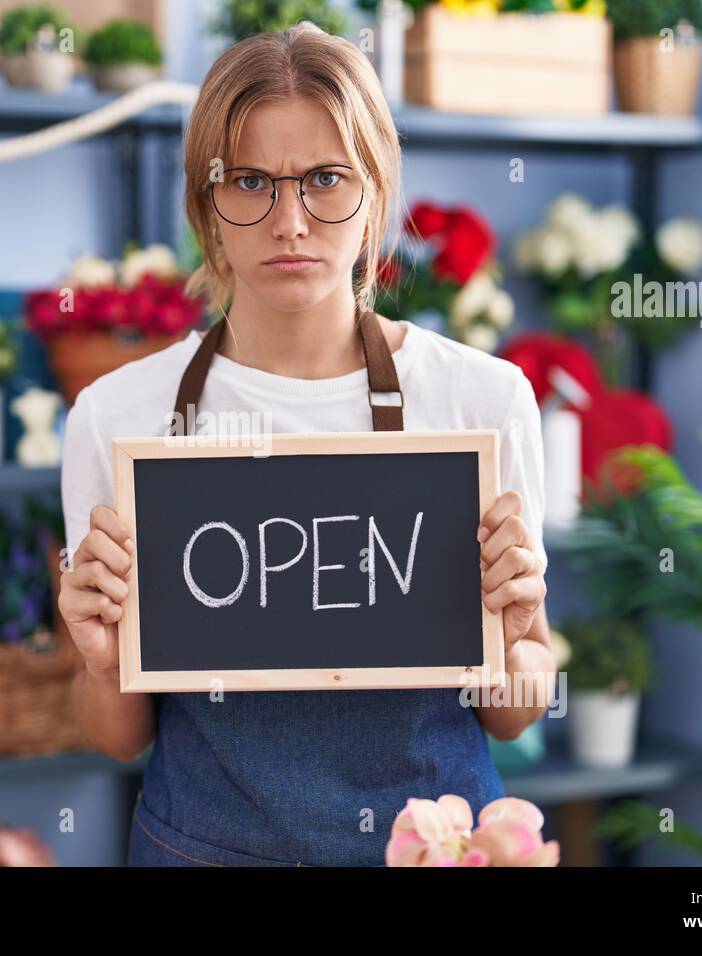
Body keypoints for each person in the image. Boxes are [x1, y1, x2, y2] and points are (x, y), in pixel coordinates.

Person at [58, 22, 553, 867]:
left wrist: (519, 630)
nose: (290, 221)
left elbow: (513, 708)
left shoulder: (485, 399)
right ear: (205, 205)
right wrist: (102, 662)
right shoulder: (116, 416)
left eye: (326, 180)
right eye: (250, 181)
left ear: (375, 196)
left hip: (437, 849)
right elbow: (117, 740)